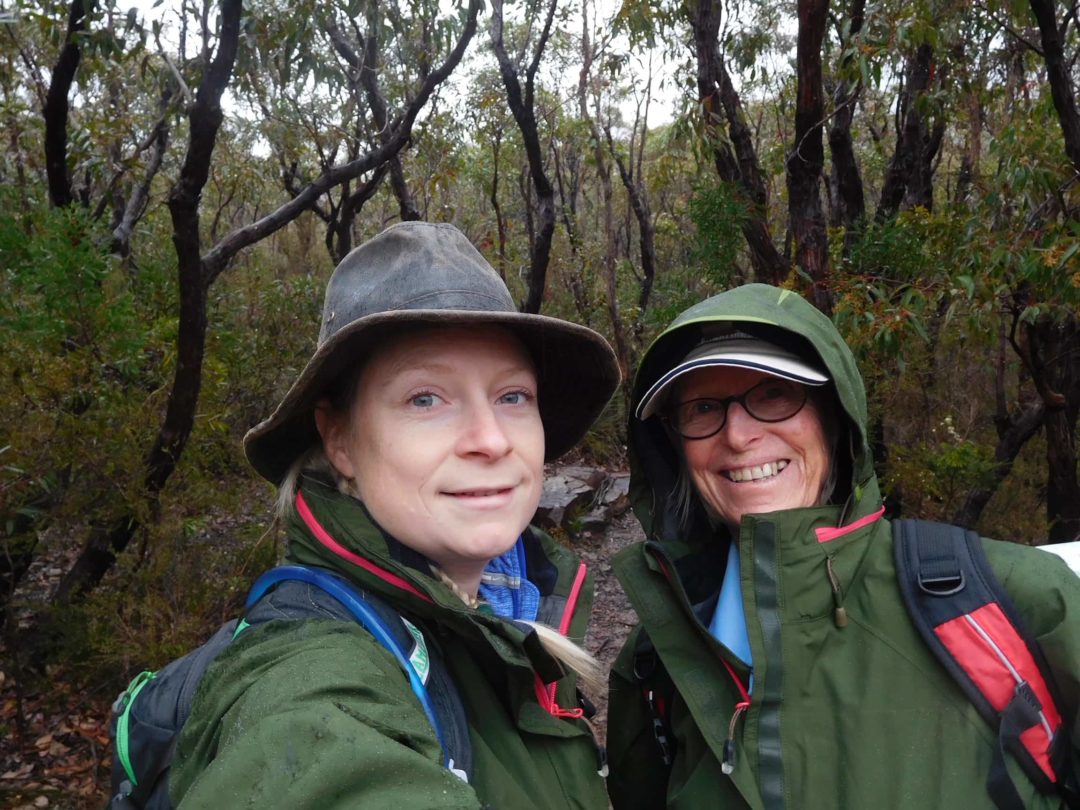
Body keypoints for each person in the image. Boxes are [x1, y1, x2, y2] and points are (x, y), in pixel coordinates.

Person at [169, 222, 620, 808]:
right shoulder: (311, 679)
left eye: (513, 396)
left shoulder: (509, 611)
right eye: (425, 398)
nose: (490, 440)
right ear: (340, 442)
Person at [605, 283, 1080, 809]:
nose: (737, 436)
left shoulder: (1011, 603)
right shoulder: (658, 656)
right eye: (703, 408)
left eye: (773, 394)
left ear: (835, 420)